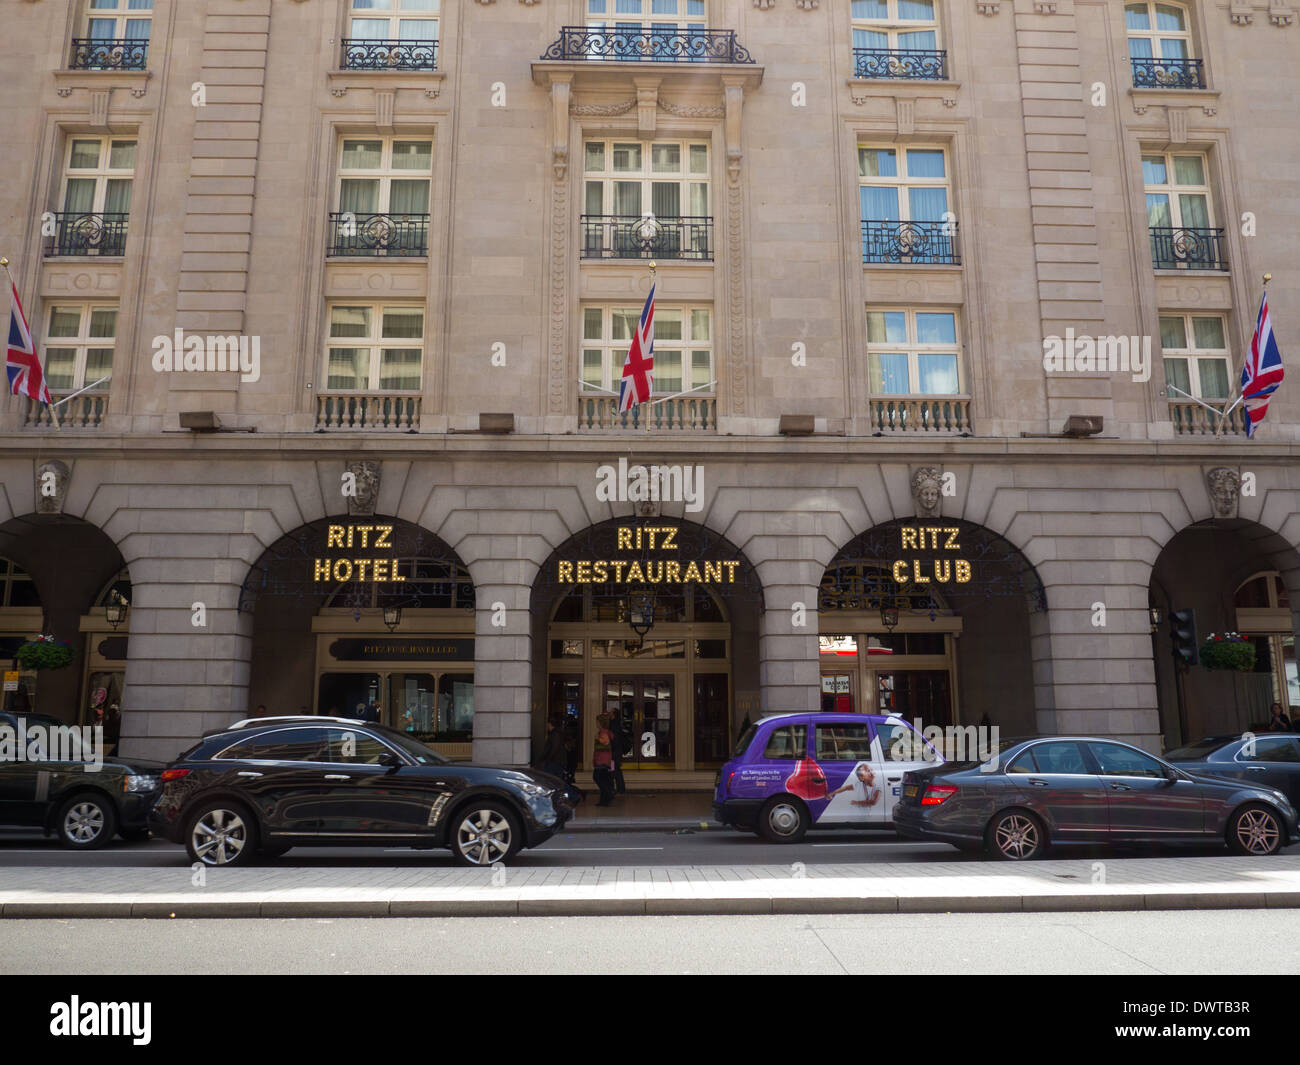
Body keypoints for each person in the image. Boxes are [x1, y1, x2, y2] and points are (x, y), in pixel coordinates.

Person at [592, 712, 616, 806]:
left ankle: (608, 795)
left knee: (597, 777)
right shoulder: (607, 732)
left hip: (602, 760)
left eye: (597, 721)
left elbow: (605, 742)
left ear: (600, 722)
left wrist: (598, 738)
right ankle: (604, 800)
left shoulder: (603, 732)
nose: (596, 723)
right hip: (606, 760)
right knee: (604, 779)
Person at [538, 715, 567, 780]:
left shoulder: (555, 734)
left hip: (555, 763)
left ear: (549, 724)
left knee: (551, 781)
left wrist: (547, 760)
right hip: (557, 762)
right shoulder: (558, 733)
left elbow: (554, 748)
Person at [610, 714, 627, 795]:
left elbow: (614, 740)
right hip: (617, 752)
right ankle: (620, 788)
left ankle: (615, 788)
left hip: (614, 753)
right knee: (616, 770)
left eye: (611, 712)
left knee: (613, 770)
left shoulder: (613, 725)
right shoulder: (618, 724)